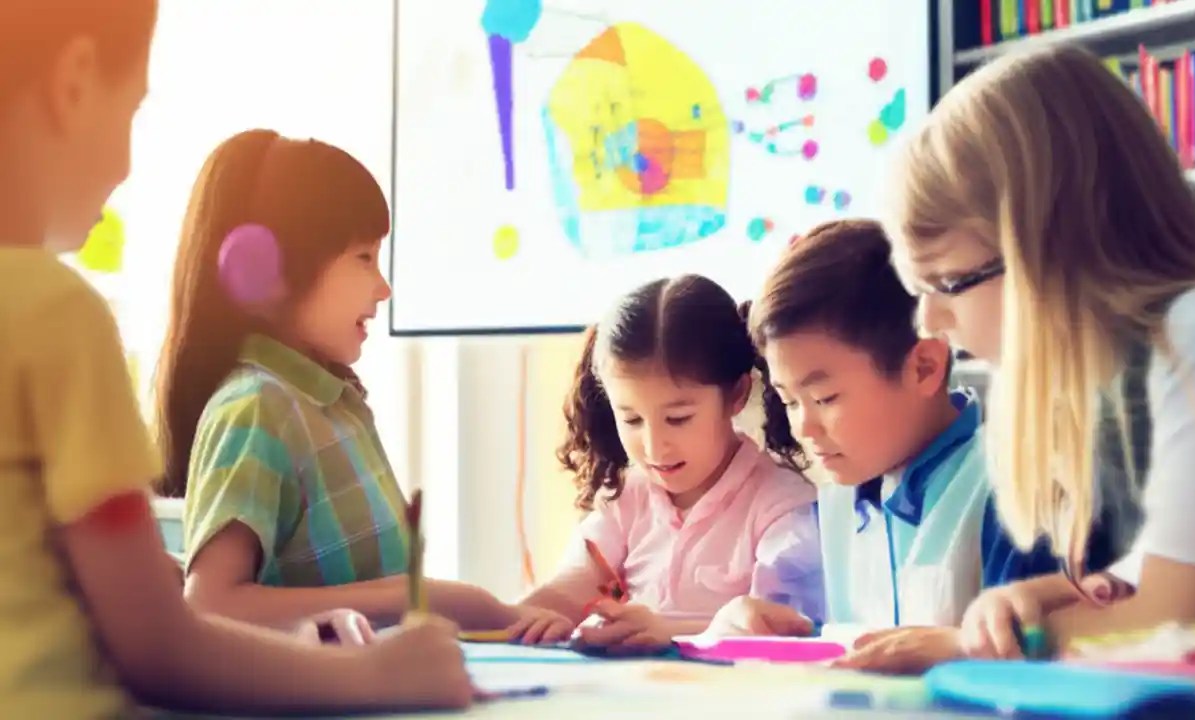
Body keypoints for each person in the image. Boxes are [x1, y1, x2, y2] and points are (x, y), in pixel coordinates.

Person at [0, 1, 471, 715]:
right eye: (131, 111)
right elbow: (163, 647)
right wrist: (379, 678)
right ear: (73, 83)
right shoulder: (53, 313)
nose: (128, 163)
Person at [883, 43, 1195, 659]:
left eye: (947, 283)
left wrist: (974, 644)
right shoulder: (1114, 373)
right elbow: (1162, 565)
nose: (930, 320)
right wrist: (1044, 595)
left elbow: (1175, 612)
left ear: (1049, 249)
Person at [154, 128, 572, 641]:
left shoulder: (330, 406)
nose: (383, 287)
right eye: (364, 258)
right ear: (268, 270)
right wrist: (406, 597)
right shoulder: (257, 408)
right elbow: (210, 604)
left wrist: (483, 616)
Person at [709, 219, 1058, 673]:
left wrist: (961, 646)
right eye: (789, 401)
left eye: (824, 399)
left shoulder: (1009, 489)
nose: (804, 427)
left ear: (924, 368)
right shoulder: (835, 503)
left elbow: (1044, 660)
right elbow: (825, 638)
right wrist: (744, 623)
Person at [513, 274, 822, 647]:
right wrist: (514, 619)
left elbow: (781, 627)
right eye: (631, 420)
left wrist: (670, 634)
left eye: (678, 419)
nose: (655, 447)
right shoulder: (628, 496)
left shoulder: (781, 503)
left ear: (737, 394)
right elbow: (567, 592)